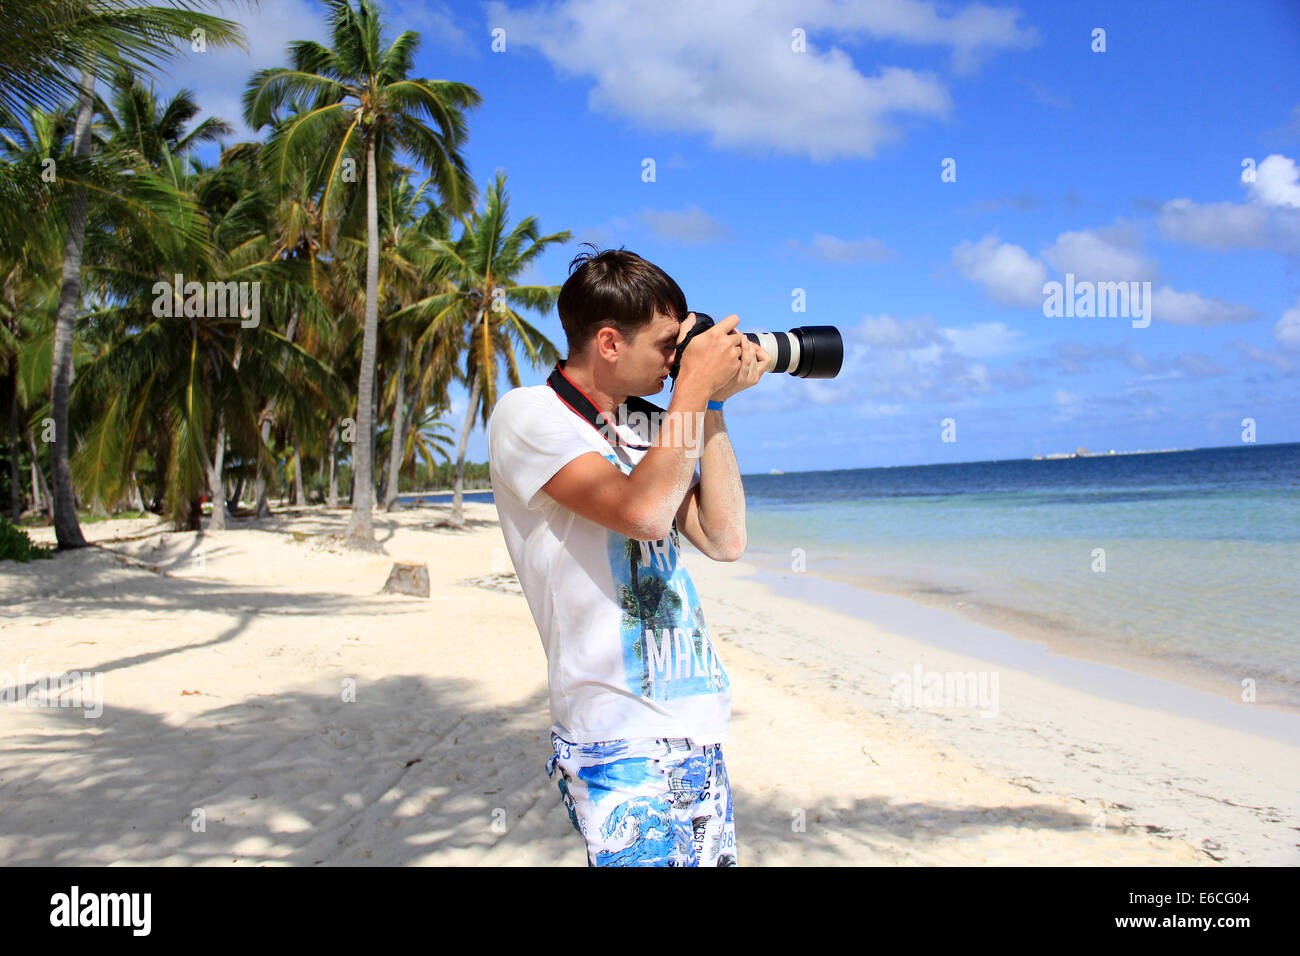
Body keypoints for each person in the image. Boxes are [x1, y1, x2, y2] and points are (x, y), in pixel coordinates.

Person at [487, 245, 769, 866]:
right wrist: (694, 387)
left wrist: (712, 406)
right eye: (669, 345)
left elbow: (724, 539)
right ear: (610, 343)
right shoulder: (528, 416)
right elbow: (641, 513)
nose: (676, 361)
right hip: (616, 732)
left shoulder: (648, 425)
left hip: (696, 721)